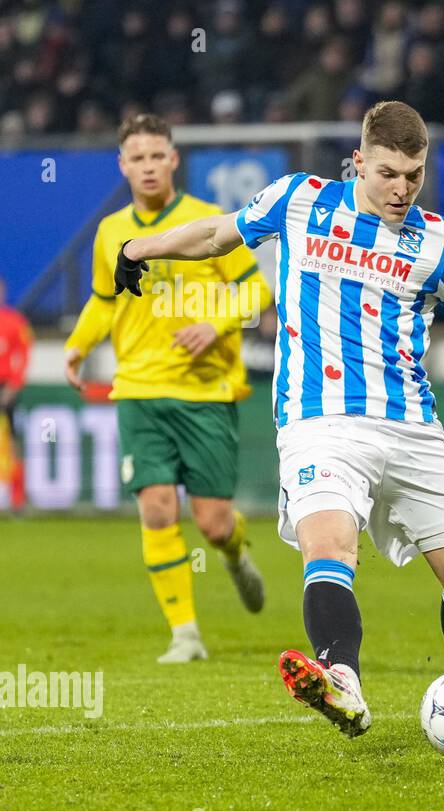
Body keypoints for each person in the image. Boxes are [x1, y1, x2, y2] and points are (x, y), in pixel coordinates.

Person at [112, 101, 444, 737]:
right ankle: (342, 681)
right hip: (320, 420)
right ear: (359, 162)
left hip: (411, 426)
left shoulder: (439, 241)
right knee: (329, 545)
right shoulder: (299, 200)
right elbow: (213, 234)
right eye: (389, 173)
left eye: (414, 175)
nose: (402, 189)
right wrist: (137, 248)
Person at [66, 113, 273, 662]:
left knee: (211, 521)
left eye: (158, 155)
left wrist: (216, 324)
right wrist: (78, 345)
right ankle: (185, 634)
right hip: (137, 388)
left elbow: (258, 291)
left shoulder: (209, 222)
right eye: (138, 158)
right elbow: (104, 299)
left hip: (205, 392)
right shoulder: (113, 232)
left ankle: (233, 550)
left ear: (174, 159)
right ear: (123, 166)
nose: (149, 166)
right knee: (156, 508)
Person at [0, 277, 33, 511]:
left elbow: (24, 354)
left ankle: (17, 499)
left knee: (11, 441)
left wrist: (15, 384)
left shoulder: (15, 322)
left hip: (4, 388)